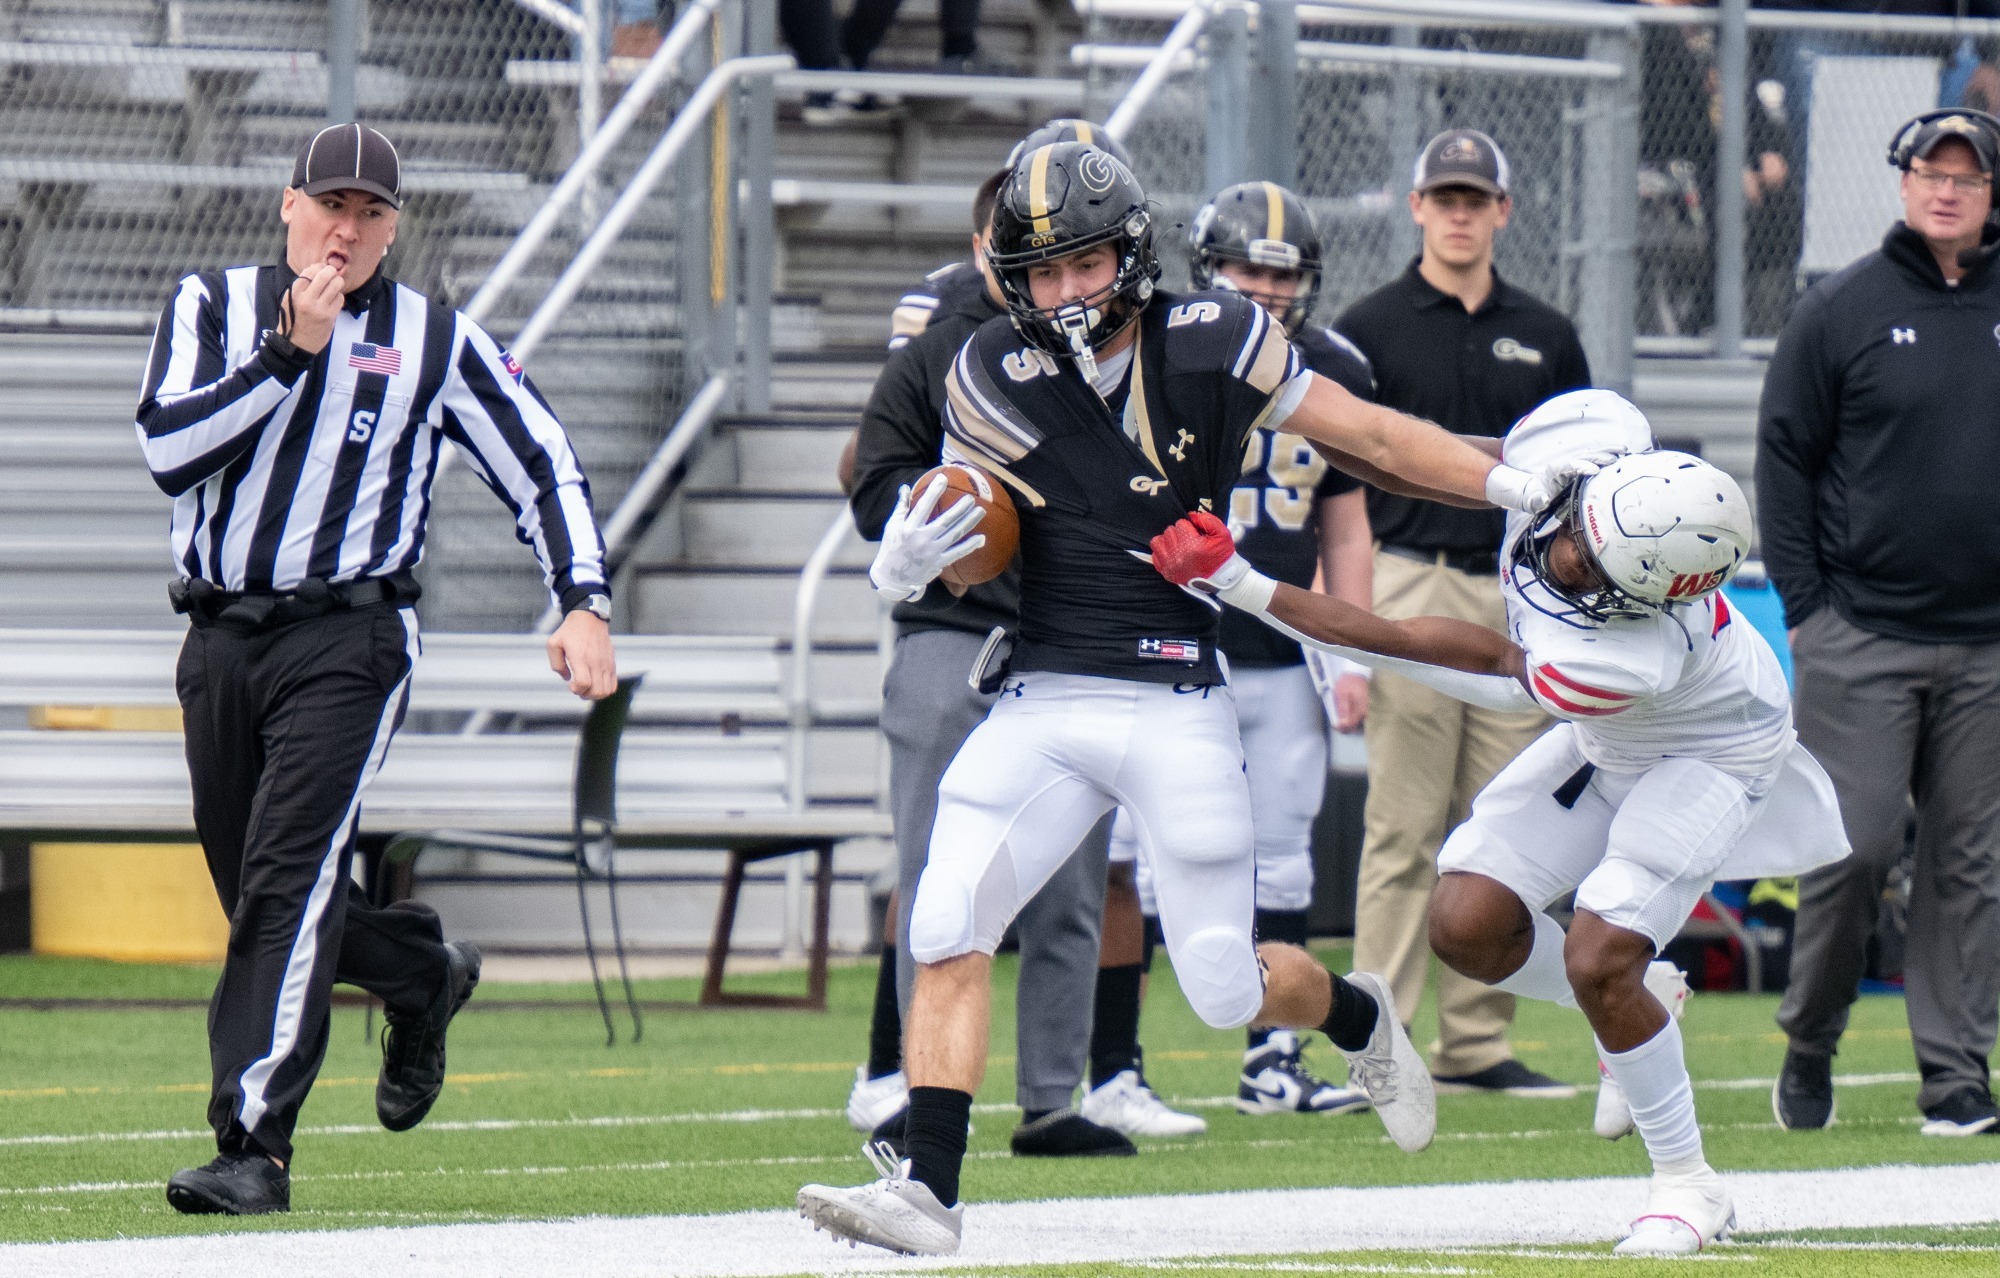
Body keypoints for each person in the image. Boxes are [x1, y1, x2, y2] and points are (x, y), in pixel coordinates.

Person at [796, 140, 1585, 1257]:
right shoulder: (983, 364)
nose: (1062, 294)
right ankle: (928, 1190)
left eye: (1081, 266)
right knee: (946, 918)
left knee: (1221, 987)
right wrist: (910, 561)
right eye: (1039, 274)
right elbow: (980, 535)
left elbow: (1367, 437)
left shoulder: (1210, 336)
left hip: (1174, 692)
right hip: (1043, 690)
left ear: (1129, 253)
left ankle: (1353, 1015)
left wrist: (1506, 480)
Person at [1148, 393, 1850, 1254]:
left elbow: (1415, 645)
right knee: (1467, 924)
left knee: (1602, 954)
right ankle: (1638, 1006)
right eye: (1579, 536)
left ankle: (1688, 1185)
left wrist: (1239, 582)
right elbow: (1425, 456)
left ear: (1649, 594)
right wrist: (1292, 419)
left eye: (1595, 570)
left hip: (1711, 756)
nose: (1564, 557)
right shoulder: (1595, 456)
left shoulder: (1621, 657)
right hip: (1618, 740)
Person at [135, 124, 617, 1216]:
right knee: (255, 888)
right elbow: (169, 454)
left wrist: (580, 598)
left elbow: (541, 460)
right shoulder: (209, 307)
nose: (347, 230)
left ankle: (254, 1146)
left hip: (349, 639)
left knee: (284, 884)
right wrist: (286, 355)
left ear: (396, 228)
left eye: (373, 214)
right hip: (218, 638)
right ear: (287, 204)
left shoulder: (431, 339)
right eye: (331, 205)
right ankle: (417, 971)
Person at [844, 159, 1157, 1158]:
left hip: (1069, 641)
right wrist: (921, 522)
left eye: (1070, 256)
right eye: (1030, 255)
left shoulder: (1122, 358)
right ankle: (908, 1089)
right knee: (933, 867)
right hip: (949, 628)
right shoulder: (932, 356)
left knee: (1067, 878)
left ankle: (1050, 1095)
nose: (1051, 279)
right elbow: (873, 478)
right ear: (990, 256)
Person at [1758, 108, 2000, 1138]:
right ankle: (1809, 1038)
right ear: (1900, 183)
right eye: (1927, 172)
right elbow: (1781, 459)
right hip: (1860, 633)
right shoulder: (1838, 308)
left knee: (1969, 864)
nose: (1944, 189)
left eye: (1966, 176)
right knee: (1849, 851)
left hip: (1986, 643)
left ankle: (1953, 1075)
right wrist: (1807, 610)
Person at [1334, 127, 1590, 1100]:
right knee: (1401, 827)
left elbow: (1582, 467)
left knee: (1506, 826)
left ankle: (1477, 1042)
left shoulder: (1548, 332)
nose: (1456, 212)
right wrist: (1349, 630)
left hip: (1517, 595)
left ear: (1501, 212)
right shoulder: (1370, 325)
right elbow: (1339, 485)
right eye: (1441, 197)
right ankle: (1381, 1041)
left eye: (1472, 198)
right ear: (1413, 207)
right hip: (1408, 582)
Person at [1183, 179, 1377, 1118]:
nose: (1261, 286)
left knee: (1287, 854)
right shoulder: (1171, 349)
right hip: (1178, 638)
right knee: (1148, 858)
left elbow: (1346, 529)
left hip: (1287, 643)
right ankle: (1114, 1066)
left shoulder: (1335, 363)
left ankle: (1275, 1059)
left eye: (1279, 271)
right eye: (1244, 266)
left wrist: (1355, 655)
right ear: (1205, 267)